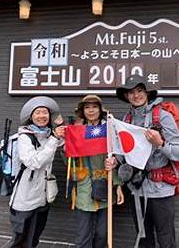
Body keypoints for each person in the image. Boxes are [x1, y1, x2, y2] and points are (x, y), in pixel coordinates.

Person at [114, 75, 179, 248]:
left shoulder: (162, 117)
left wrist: (160, 143)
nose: (135, 95)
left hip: (161, 189)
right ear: (126, 96)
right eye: (131, 92)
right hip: (137, 189)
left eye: (139, 91)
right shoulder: (127, 119)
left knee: (165, 237)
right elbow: (124, 152)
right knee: (143, 237)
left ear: (147, 93)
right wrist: (114, 160)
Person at [9, 96, 65, 248]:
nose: (42, 116)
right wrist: (54, 138)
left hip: (42, 197)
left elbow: (64, 141)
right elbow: (34, 162)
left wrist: (61, 125)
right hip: (25, 198)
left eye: (45, 112)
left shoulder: (47, 134)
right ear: (31, 117)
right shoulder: (25, 137)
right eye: (38, 112)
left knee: (33, 239)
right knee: (20, 240)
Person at [72, 95, 124, 248]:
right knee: (83, 235)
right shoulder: (77, 132)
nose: (91, 110)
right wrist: (67, 146)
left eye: (94, 106)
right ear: (82, 111)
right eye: (87, 107)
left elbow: (116, 156)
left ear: (100, 109)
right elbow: (70, 161)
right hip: (84, 187)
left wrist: (118, 184)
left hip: (105, 186)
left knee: (102, 234)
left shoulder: (108, 130)